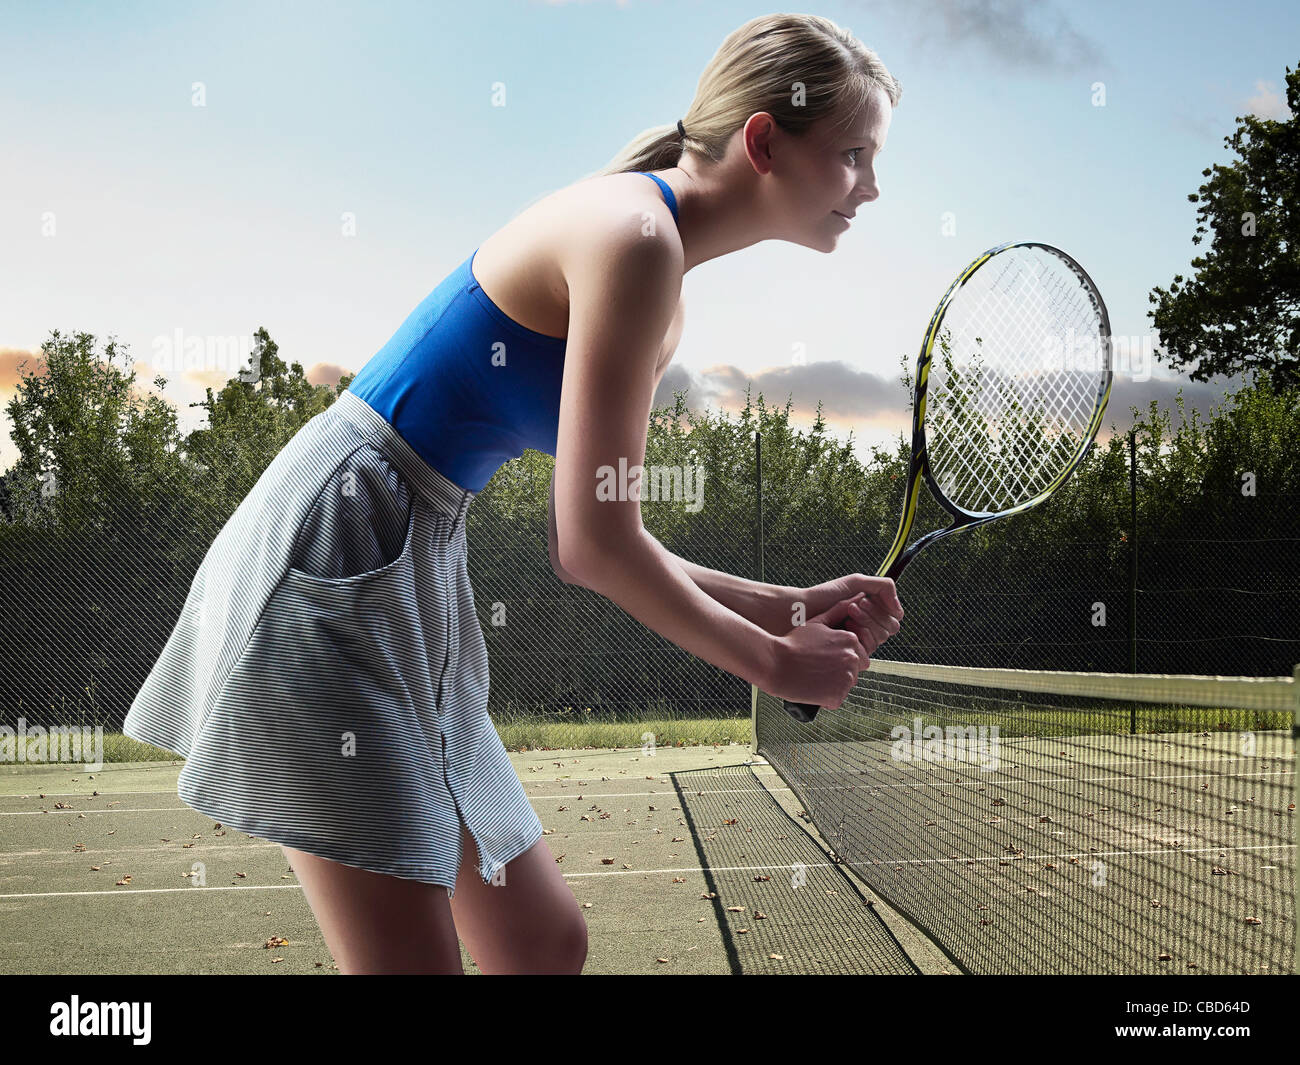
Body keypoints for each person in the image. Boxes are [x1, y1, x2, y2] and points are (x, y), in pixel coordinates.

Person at [123, 12, 905, 975]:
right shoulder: (637, 236)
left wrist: (785, 605)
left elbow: (603, 528)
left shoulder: (657, 265)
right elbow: (592, 547)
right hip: (340, 545)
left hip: (409, 550)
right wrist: (773, 663)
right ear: (763, 142)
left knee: (539, 942)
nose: (871, 186)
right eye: (854, 154)